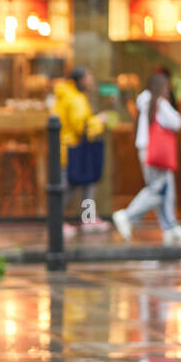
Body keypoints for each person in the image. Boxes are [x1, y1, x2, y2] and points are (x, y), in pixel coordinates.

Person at [112, 70, 181, 244]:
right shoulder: (159, 103)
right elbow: (177, 122)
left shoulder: (144, 101)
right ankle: (127, 215)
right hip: (156, 152)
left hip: (146, 150)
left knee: (166, 189)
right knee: (157, 190)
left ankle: (170, 227)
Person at [52, 67, 109, 236]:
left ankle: (87, 218)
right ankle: (59, 222)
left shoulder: (69, 96)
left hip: (72, 149)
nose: (91, 80)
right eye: (88, 77)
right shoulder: (75, 99)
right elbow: (81, 126)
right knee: (68, 187)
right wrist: (99, 121)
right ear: (81, 80)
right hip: (73, 149)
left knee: (86, 184)